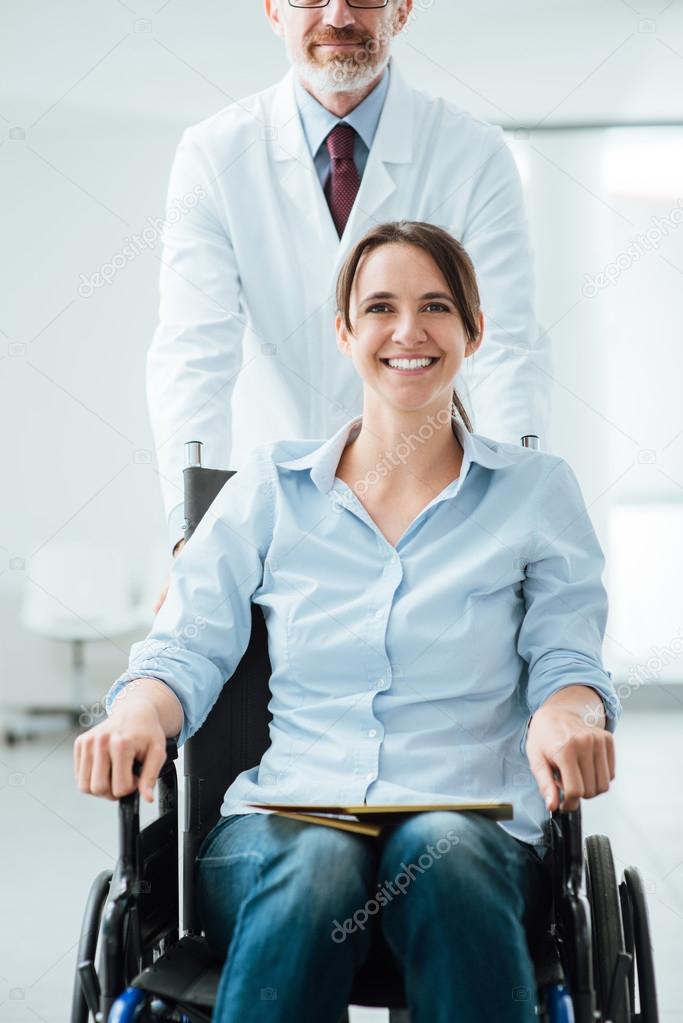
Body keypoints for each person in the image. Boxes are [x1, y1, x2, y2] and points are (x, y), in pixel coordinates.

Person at [75, 221, 618, 1022]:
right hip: (285, 821)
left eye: (436, 306)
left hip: (470, 822)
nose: (408, 330)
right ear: (344, 330)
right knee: (320, 859)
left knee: (444, 853)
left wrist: (566, 715)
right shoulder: (271, 486)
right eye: (380, 307)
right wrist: (131, 714)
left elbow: (566, 656)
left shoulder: (536, 491)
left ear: (473, 330)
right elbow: (186, 644)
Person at [149, 0, 552, 610]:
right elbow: (193, 352)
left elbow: (507, 348)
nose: (338, 15)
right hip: (271, 510)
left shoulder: (473, 152)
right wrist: (192, 531)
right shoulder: (214, 153)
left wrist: (519, 516)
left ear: (404, 9)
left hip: (434, 503)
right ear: (272, 10)